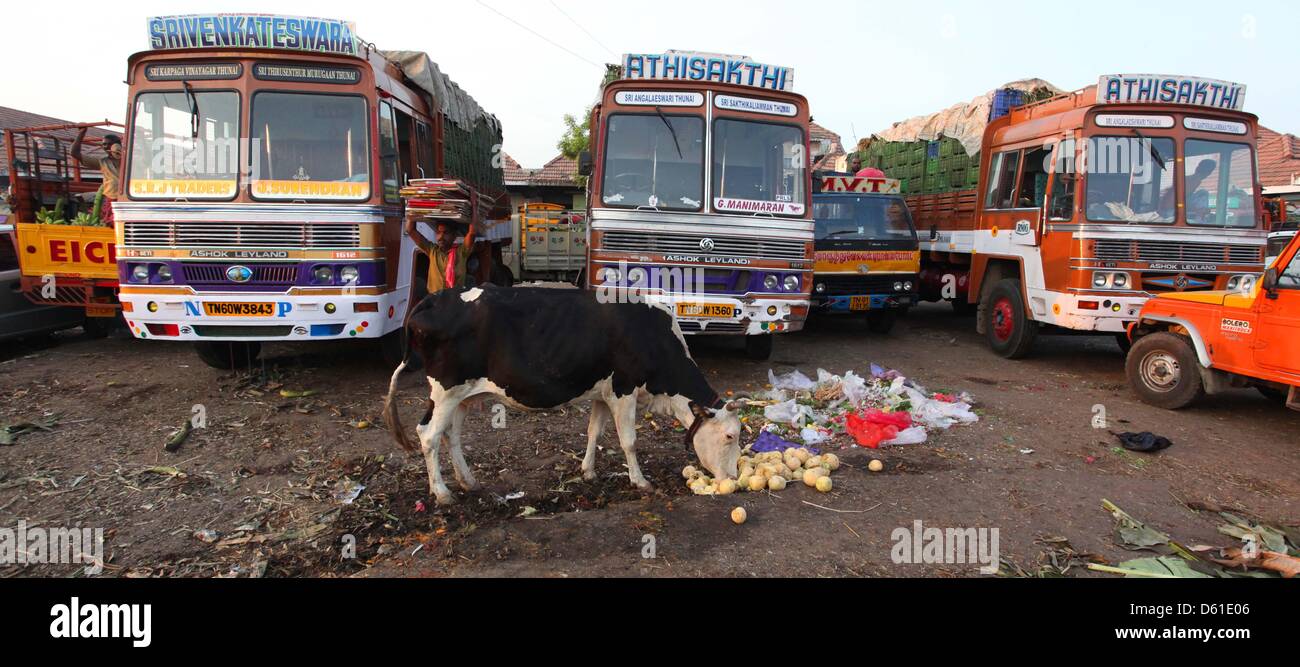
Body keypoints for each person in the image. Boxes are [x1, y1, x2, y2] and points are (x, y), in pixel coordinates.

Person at [406, 216, 476, 295]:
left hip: (455, 299)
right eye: (438, 232)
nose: (441, 237)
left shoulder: (461, 252)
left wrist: (473, 207)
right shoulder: (432, 250)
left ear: (454, 235)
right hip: (435, 300)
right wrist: (412, 210)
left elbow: (472, 233)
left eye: (445, 233)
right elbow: (410, 230)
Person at [71, 129, 122, 227]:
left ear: (117, 145)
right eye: (104, 144)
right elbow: (74, 153)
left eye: (109, 144)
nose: (106, 147)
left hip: (126, 199)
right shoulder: (102, 162)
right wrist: (81, 134)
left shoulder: (128, 158)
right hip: (111, 198)